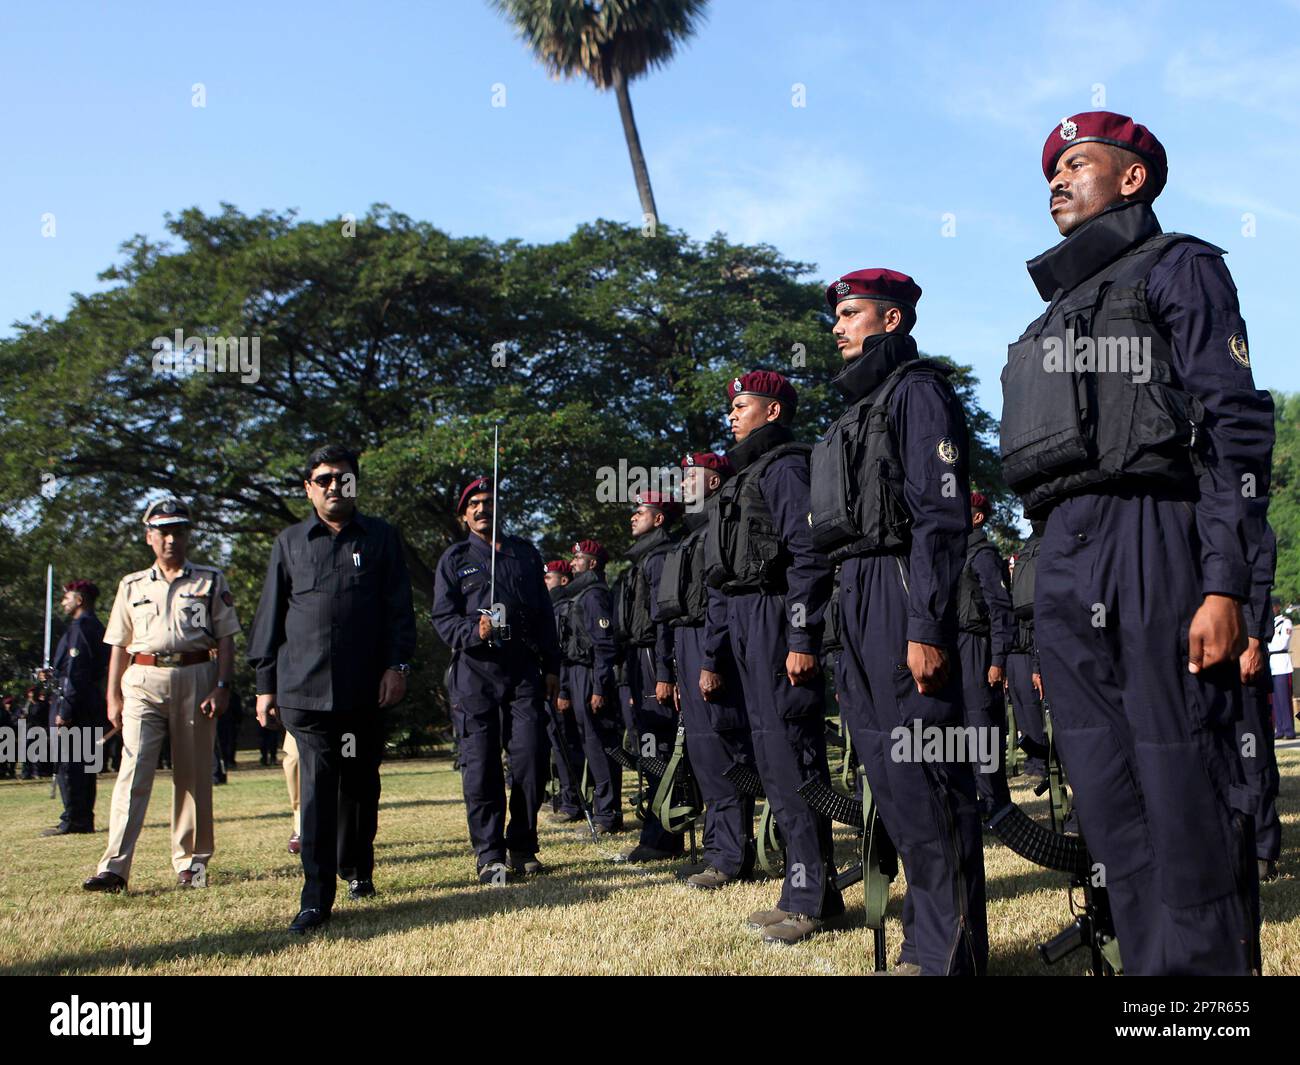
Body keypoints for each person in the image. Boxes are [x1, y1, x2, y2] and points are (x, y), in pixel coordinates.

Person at [999, 111, 1275, 974]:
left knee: (1183, 785)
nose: (1057, 178)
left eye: (1078, 162)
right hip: (1062, 547)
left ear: (1131, 180)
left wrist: (1227, 586)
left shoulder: (1180, 267)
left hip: (1154, 537)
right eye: (1052, 168)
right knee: (1111, 802)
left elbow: (1233, 428)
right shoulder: (1047, 320)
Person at [810, 268, 987, 974]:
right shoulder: (855, 410)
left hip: (900, 587)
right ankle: (924, 941)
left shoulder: (919, 393)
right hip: (854, 594)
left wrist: (925, 624)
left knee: (927, 779)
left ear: (891, 321)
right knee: (889, 779)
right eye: (838, 315)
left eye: (851, 313)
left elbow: (941, 516)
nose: (838, 325)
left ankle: (952, 955)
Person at [248, 444, 417, 933]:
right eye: (322, 479)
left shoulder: (383, 538)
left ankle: (357, 869)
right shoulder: (290, 543)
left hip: (367, 689)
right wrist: (265, 685)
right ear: (308, 488)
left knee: (361, 784)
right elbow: (270, 618)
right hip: (305, 691)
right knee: (319, 788)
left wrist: (398, 666)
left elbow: (399, 612)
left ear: (354, 484)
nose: (333, 486)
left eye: (342, 478)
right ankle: (315, 898)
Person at [706, 370, 839, 945]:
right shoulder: (745, 477)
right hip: (743, 619)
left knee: (793, 759)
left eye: (743, 405)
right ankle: (802, 888)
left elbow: (808, 554)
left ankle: (811, 898)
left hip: (776, 613)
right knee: (771, 761)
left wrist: (801, 637)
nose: (732, 416)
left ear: (773, 412)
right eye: (731, 407)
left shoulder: (785, 467)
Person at [83, 498, 241, 892]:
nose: (171, 539)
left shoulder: (210, 580)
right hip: (142, 679)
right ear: (149, 536)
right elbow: (119, 644)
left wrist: (222, 687)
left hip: (195, 677)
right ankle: (114, 868)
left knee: (192, 774)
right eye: (163, 531)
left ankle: (192, 864)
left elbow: (225, 639)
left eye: (179, 531)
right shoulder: (131, 584)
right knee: (132, 772)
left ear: (188, 536)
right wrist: (112, 698)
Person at [431, 475, 560, 885]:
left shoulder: (524, 553)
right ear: (463, 514)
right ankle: (490, 854)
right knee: (481, 764)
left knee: (530, 757)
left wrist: (554, 667)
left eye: (489, 502)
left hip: (523, 670)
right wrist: (474, 632)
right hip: (474, 674)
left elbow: (544, 615)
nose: (483, 509)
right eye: (474, 504)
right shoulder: (453, 560)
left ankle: (523, 844)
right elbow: (442, 618)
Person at [662, 451, 756, 889]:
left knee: (722, 755)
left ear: (716, 482)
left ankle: (731, 856)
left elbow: (719, 596)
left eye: (692, 476)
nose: (683, 483)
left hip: (709, 641)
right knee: (703, 755)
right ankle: (720, 851)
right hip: (689, 642)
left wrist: (711, 660)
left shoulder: (720, 524)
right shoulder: (691, 533)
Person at [616, 491, 685, 863]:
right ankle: (656, 833)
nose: (633, 517)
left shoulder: (658, 559)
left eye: (640, 512)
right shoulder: (643, 559)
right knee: (650, 749)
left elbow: (662, 621)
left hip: (652, 658)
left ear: (659, 519)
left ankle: (662, 838)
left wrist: (663, 672)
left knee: (659, 749)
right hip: (638, 659)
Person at [558, 541, 624, 835]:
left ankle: (608, 814)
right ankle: (603, 812)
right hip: (576, 673)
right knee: (590, 744)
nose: (573, 563)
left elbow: (604, 644)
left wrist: (598, 687)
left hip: (590, 674)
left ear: (592, 564)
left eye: (578, 558)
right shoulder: (581, 594)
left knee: (600, 745)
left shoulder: (594, 595)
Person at [956, 492, 1016, 816]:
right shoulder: (958, 552)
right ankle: (981, 807)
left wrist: (998, 660)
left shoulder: (983, 554)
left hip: (979, 648)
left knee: (983, 733)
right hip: (959, 648)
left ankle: (996, 808)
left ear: (977, 516)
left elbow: (1000, 609)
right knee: (963, 735)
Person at [41, 579, 109, 835]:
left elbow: (77, 673)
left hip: (76, 706)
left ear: (79, 600)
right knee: (81, 765)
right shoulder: (93, 626)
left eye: (66, 597)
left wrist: (65, 710)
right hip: (87, 702)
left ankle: (74, 819)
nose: (63, 602)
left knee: (70, 764)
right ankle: (80, 816)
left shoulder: (81, 628)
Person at [1239, 522, 1281, 884]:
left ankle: (1262, 849)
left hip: (1240, 644)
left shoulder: (1238, 502)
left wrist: (1253, 638)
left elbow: (1260, 572)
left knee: (1251, 756)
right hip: (1200, 646)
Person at [543, 559, 586, 823]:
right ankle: (569, 798)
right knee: (558, 746)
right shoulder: (550, 609)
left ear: (563, 580)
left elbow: (566, 654)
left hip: (563, 683)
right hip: (555, 685)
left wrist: (564, 690)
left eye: (549, 578)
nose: (544, 583)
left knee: (567, 746)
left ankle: (574, 802)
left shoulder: (565, 609)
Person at [1006, 523, 1047, 783]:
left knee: (1033, 711)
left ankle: (1042, 765)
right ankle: (1033, 762)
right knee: (1021, 712)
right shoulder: (1017, 591)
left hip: (1027, 652)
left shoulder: (1028, 590)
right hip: (1013, 654)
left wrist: (1035, 665)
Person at [1268, 600, 1294, 740]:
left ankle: (1289, 729)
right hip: (1271, 664)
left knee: (1284, 699)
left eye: (1272, 606)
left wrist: (1269, 644)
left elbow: (1282, 643)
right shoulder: (1269, 623)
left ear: (1277, 607)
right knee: (1275, 700)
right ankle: (1279, 729)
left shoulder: (1285, 622)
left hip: (1282, 662)